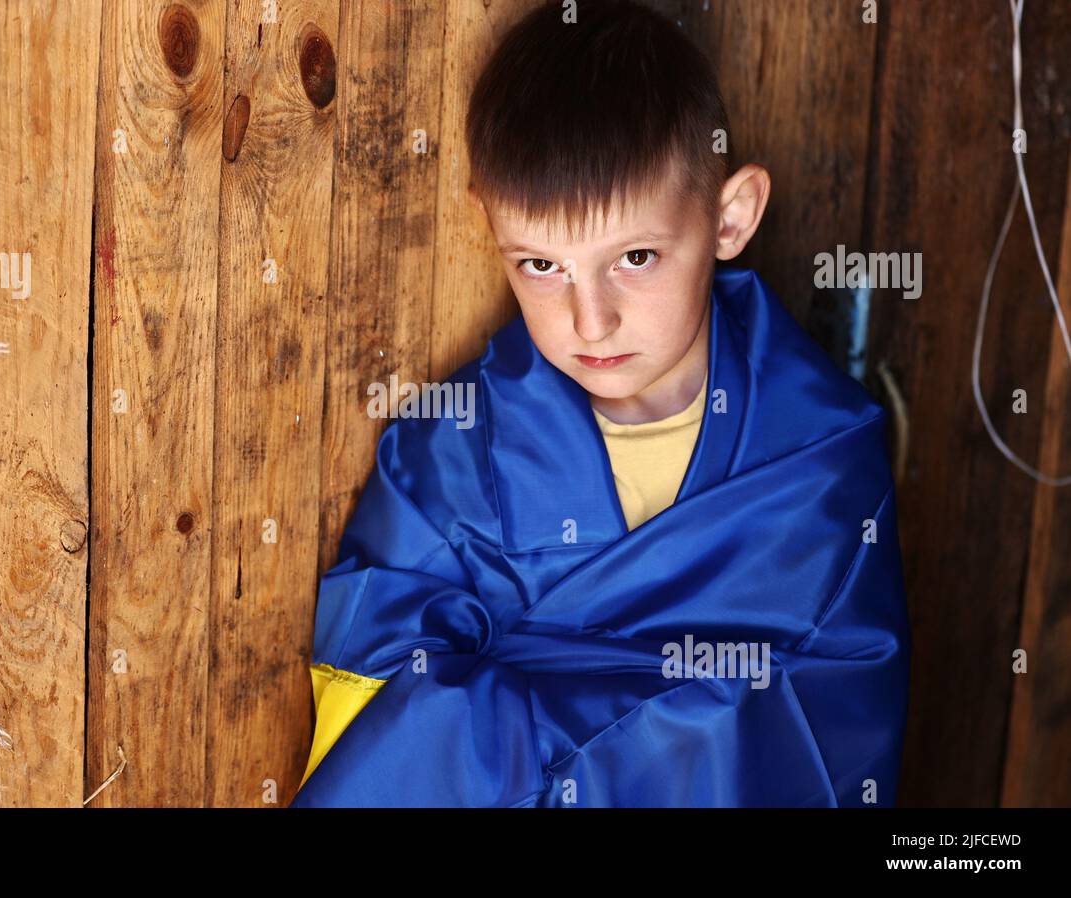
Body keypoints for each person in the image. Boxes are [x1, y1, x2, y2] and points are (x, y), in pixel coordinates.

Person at [291, 0, 910, 807]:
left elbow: (838, 730)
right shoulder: (448, 454)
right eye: (542, 266)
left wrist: (537, 718)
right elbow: (369, 702)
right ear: (491, 225)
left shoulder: (821, 457)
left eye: (637, 256)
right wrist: (680, 728)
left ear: (730, 217)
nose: (591, 321)